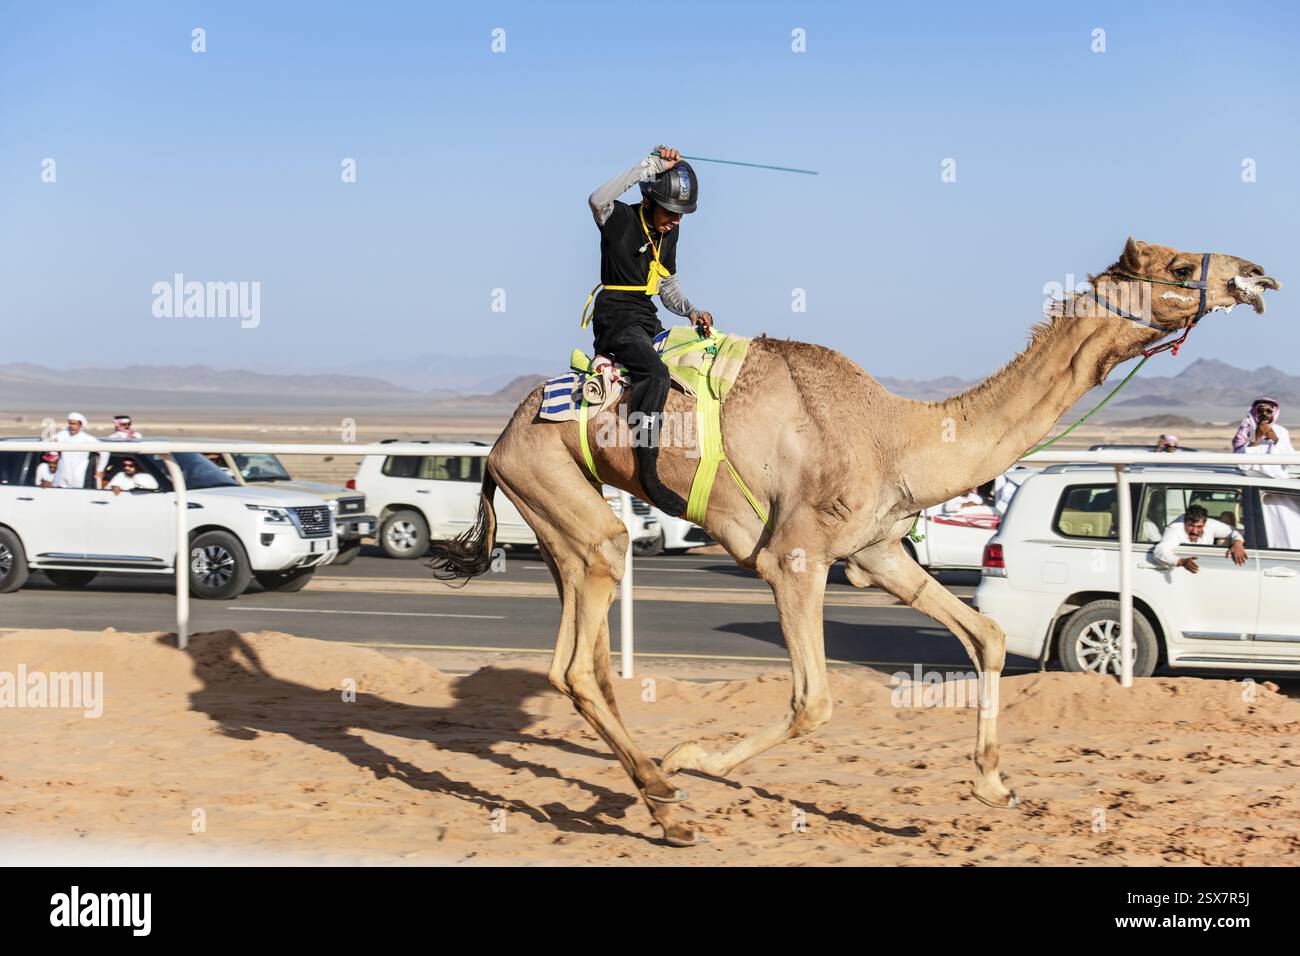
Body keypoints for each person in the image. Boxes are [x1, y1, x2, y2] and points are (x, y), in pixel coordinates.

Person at [583, 145, 711, 516]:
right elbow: (596, 198)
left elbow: (668, 286)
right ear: (650, 199)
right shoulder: (618, 217)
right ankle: (647, 472)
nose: (675, 220)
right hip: (615, 318)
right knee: (655, 375)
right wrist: (649, 166)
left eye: (681, 215)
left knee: (700, 358)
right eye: (670, 212)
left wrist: (692, 310)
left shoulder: (669, 234)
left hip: (646, 316)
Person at [1151, 504, 1247, 574]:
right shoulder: (1175, 529)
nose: (1195, 531)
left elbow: (1238, 532)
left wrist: (1238, 543)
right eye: (1191, 526)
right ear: (1185, 522)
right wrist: (1181, 561)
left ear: (1204, 524)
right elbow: (1160, 551)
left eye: (1199, 527)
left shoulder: (1210, 524)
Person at [1233, 396, 1294, 479]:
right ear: (1255, 412)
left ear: (1274, 413)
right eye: (1261, 410)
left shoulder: (1281, 431)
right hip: (1252, 479)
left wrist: (1276, 440)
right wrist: (1257, 436)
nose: (1264, 414)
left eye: (1268, 411)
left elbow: (1291, 462)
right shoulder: (1248, 430)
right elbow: (1242, 463)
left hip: (1277, 481)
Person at [52, 413, 107, 489]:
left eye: (74, 424)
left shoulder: (87, 439)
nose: (72, 426)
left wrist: (100, 469)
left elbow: (105, 450)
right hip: (61, 477)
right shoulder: (61, 435)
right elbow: (48, 444)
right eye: (70, 423)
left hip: (78, 478)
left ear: (80, 425)